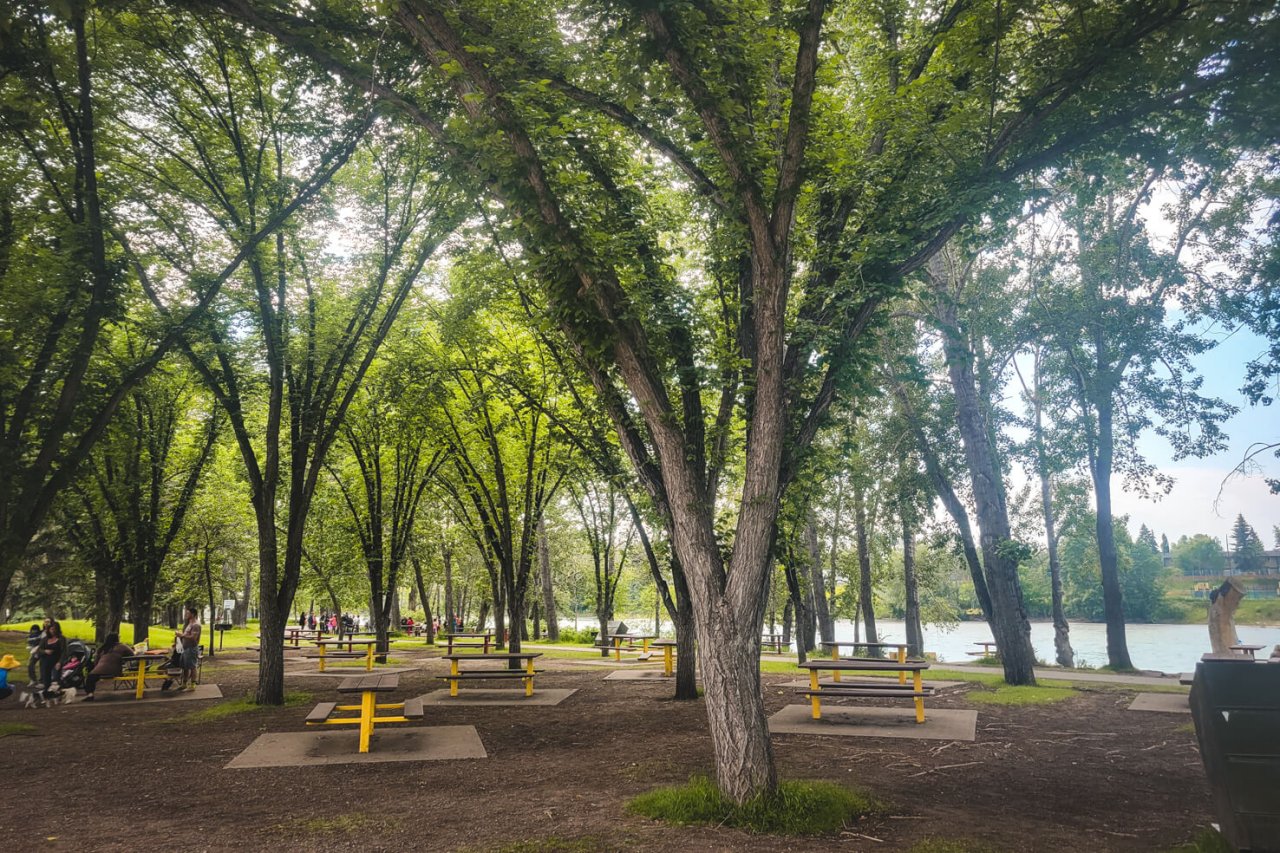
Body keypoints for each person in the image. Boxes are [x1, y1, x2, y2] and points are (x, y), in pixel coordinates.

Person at [84, 633, 133, 701]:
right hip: (114, 671)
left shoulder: (102, 648)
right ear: (117, 639)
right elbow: (132, 654)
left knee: (90, 678)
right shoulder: (122, 646)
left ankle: (90, 695)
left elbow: (96, 662)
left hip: (97, 671)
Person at [176, 606, 202, 691]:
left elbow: (193, 637)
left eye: (188, 613)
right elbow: (186, 635)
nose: (186, 614)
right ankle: (184, 684)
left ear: (193, 614)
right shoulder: (189, 624)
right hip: (185, 648)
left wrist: (182, 635)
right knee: (185, 667)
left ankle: (193, 685)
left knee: (192, 667)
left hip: (191, 649)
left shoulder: (196, 625)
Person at [37, 620, 66, 697]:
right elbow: (39, 650)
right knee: (46, 680)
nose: (53, 631)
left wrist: (60, 662)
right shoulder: (45, 639)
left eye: (55, 629)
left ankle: (57, 695)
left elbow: (64, 651)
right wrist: (45, 651)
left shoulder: (61, 639)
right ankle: (47, 696)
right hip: (45, 661)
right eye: (51, 629)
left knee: (56, 679)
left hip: (56, 661)